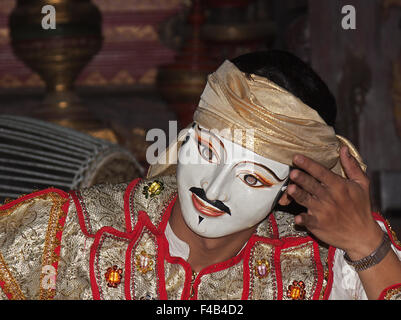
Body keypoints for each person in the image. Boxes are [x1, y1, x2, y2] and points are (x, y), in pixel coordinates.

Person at [1, 50, 401, 300]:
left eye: (252, 178)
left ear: (287, 192)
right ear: (187, 138)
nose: (213, 188)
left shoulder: (323, 267)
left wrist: (366, 243)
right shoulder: (68, 233)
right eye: (208, 152)